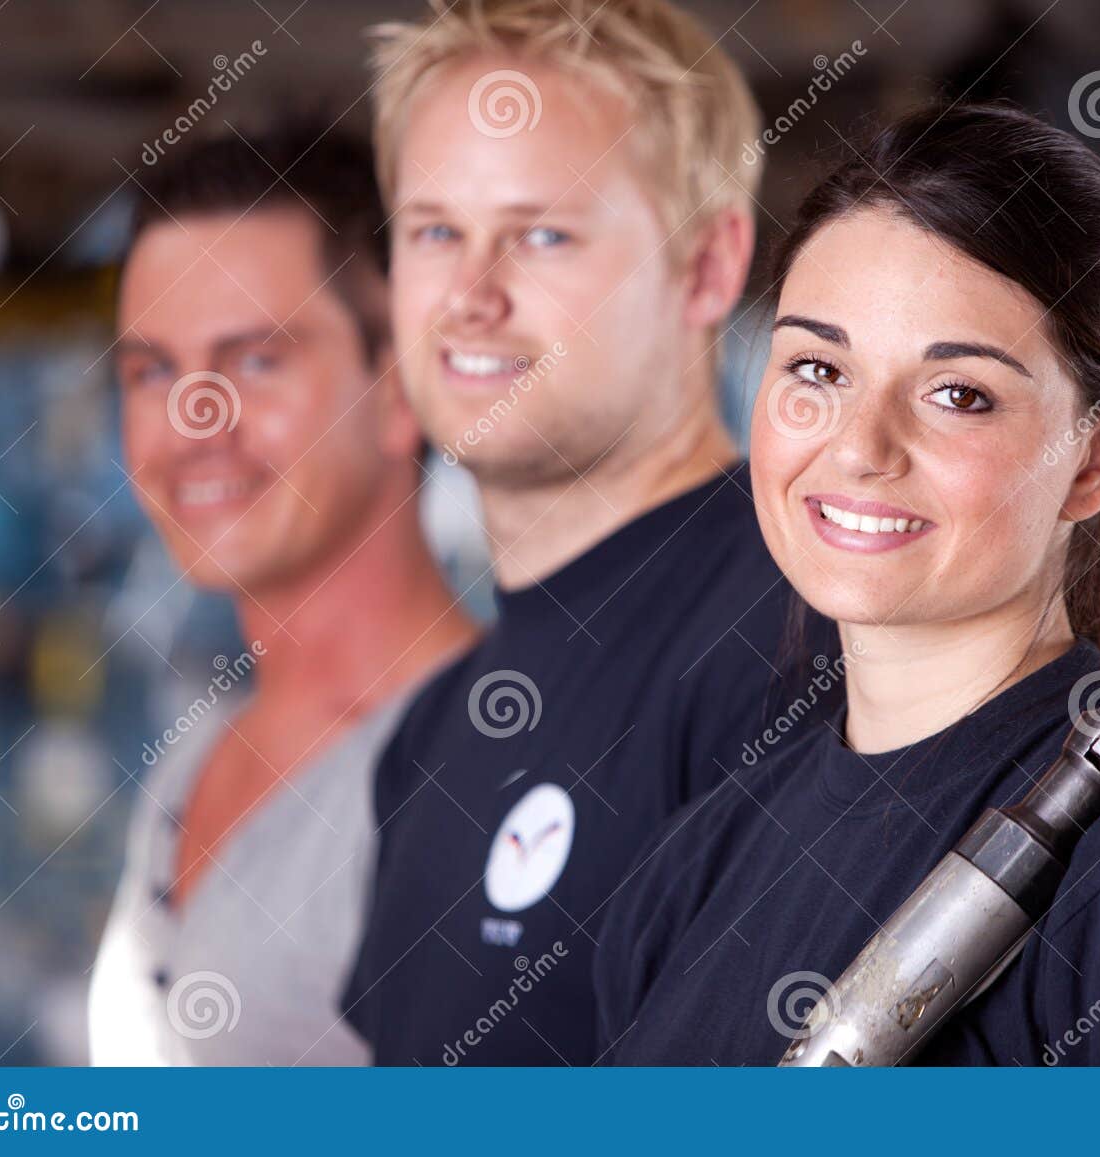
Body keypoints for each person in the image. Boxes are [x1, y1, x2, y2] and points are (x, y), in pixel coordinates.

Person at [594, 103, 1100, 1066]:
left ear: (1097, 457)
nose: (860, 447)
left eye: (957, 393)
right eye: (817, 367)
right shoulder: (697, 867)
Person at [340, 0, 801, 1064]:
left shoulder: (791, 643)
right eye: (434, 231)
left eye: (540, 234)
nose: (468, 296)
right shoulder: (427, 740)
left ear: (706, 265)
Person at [89, 124, 477, 1065]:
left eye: (256, 360)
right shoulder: (197, 756)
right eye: (152, 370)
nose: (193, 422)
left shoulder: (483, 784)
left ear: (400, 389)